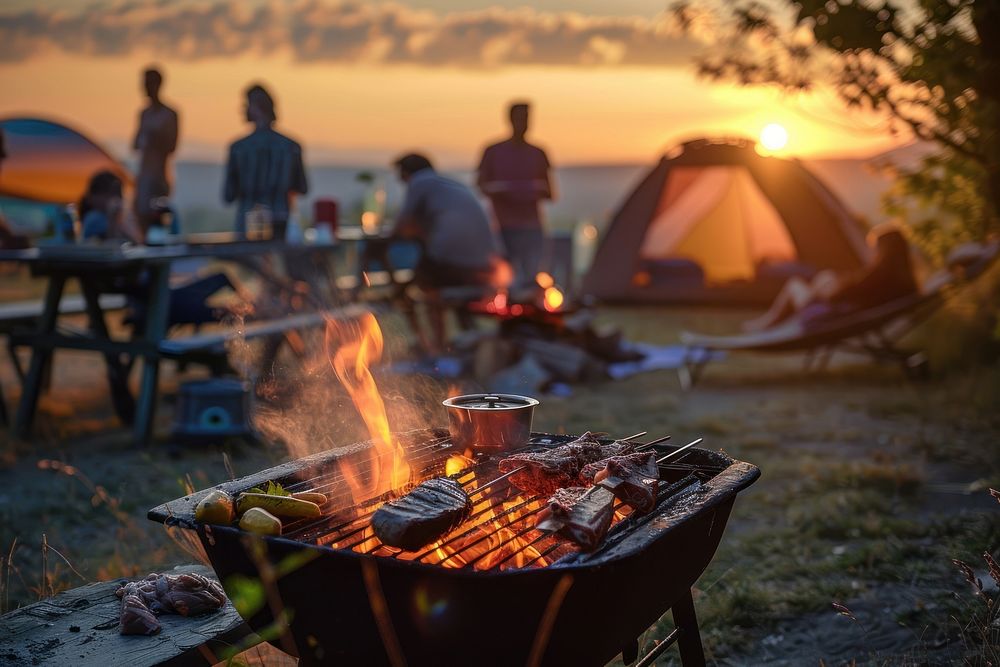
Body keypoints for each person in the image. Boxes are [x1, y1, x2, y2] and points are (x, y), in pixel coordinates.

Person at [391, 153, 506, 353]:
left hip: (453, 264)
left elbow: (401, 226)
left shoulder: (419, 182)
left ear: (407, 173)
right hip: (486, 267)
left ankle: (434, 344)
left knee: (421, 283)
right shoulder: (451, 185)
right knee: (427, 273)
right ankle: (450, 342)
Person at [743, 224, 919, 332]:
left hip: (835, 313)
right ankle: (765, 324)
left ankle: (766, 325)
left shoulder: (880, 275)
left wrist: (827, 290)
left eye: (875, 248)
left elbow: (851, 292)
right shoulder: (902, 279)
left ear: (884, 250)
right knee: (825, 276)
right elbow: (860, 287)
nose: (872, 253)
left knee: (795, 284)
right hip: (847, 309)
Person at [477, 101, 555, 289]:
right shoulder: (493, 152)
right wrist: (503, 191)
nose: (524, 123)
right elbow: (481, 185)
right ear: (510, 120)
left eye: (527, 118)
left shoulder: (537, 153)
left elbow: (550, 192)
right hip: (502, 226)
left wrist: (526, 191)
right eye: (520, 118)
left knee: (531, 276)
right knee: (505, 277)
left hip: (532, 226)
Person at [223, 84, 308, 239]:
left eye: (246, 105)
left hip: (246, 228)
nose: (242, 110)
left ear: (257, 107)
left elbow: (228, 195)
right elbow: (302, 187)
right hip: (282, 226)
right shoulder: (291, 147)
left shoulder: (238, 148)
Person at [133, 67, 179, 231]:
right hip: (144, 176)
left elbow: (172, 146)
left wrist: (156, 139)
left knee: (158, 221)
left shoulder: (169, 114)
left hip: (159, 176)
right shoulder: (144, 114)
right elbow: (136, 144)